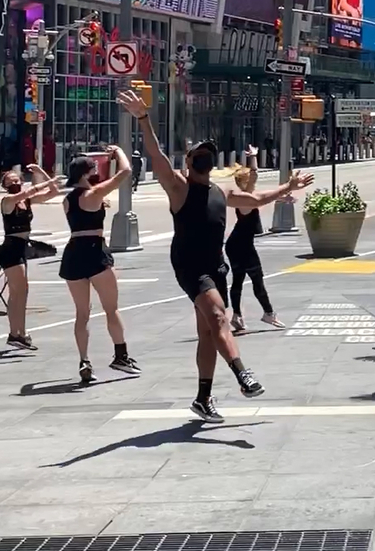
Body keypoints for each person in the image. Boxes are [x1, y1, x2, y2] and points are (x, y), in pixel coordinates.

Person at [121, 89, 312, 421]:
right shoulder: (179, 187)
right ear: (189, 163)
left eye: (210, 154)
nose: (206, 159)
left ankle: (202, 398)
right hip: (190, 267)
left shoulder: (221, 192)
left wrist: (288, 187)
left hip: (216, 266)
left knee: (209, 331)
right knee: (220, 319)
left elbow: (256, 200)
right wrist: (143, 117)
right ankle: (243, 374)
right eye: (200, 155)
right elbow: (156, 154)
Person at [58, 149, 139, 384]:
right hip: (94, 251)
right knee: (111, 308)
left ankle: (84, 360)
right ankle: (121, 355)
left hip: (73, 253)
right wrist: (119, 152)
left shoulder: (69, 199)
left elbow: (81, 215)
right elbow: (125, 172)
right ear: (86, 172)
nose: (97, 170)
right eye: (93, 168)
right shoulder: (94, 193)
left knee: (82, 313)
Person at [0, 165, 61, 351]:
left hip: (21, 247)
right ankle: (17, 333)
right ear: (4, 185)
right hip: (11, 248)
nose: (15, 183)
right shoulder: (8, 200)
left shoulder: (27, 202)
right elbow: (31, 191)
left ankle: (18, 333)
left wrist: (40, 172)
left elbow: (53, 192)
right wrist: (47, 181)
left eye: (17, 180)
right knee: (19, 291)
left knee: (20, 293)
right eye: (10, 181)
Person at [226, 147, 285, 334]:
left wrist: (284, 196)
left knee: (238, 280)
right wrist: (254, 158)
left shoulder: (244, 199)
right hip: (242, 246)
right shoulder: (245, 198)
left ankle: (237, 316)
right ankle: (268, 313)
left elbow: (261, 192)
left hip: (237, 244)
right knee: (256, 280)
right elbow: (255, 176)